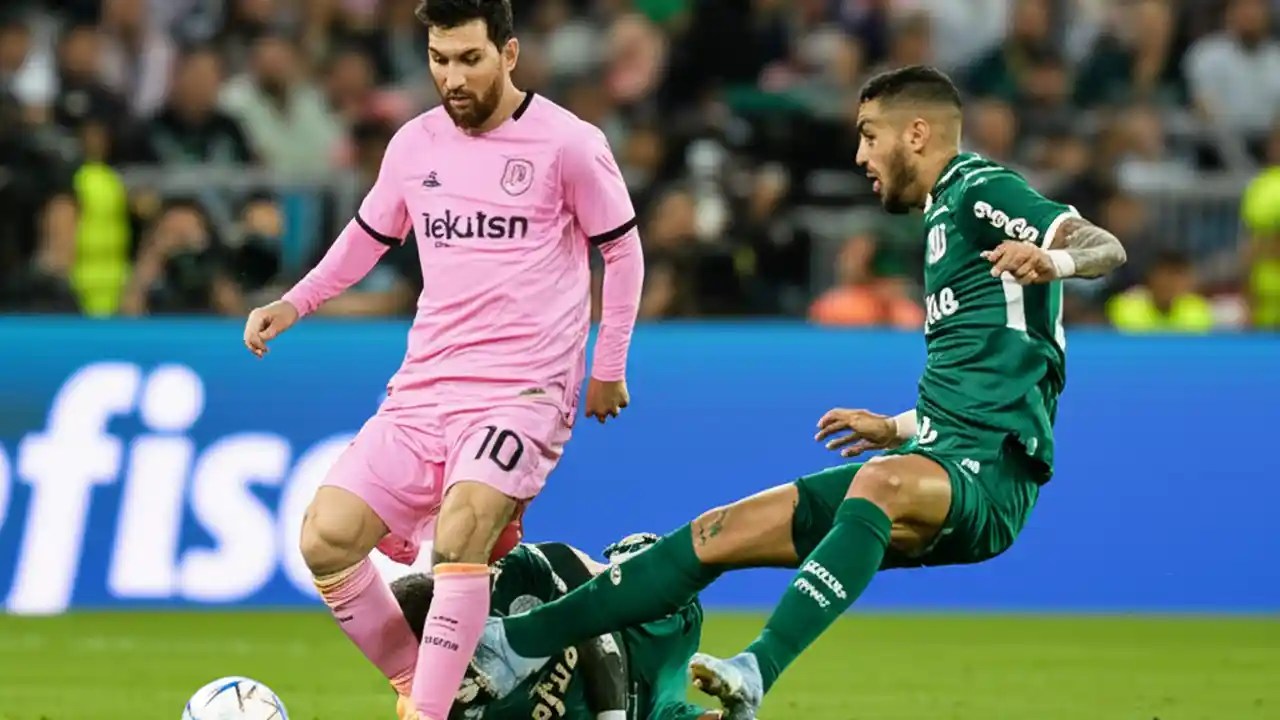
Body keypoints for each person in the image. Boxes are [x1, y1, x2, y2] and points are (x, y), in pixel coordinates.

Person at [465, 65, 1128, 719]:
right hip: (940, 456)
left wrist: (1057, 259)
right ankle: (512, 643)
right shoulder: (939, 225)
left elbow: (1105, 247)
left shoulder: (981, 188)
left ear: (917, 133)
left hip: (992, 479)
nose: (860, 154)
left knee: (880, 485)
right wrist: (896, 428)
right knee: (714, 534)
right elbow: (981, 382)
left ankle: (756, 668)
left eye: (870, 135)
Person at [240, 2, 644, 719]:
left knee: (460, 533)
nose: (451, 77)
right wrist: (293, 303)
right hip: (425, 389)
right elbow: (367, 237)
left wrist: (606, 364)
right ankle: (418, 683)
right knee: (325, 537)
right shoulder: (414, 144)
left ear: (509, 55)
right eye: (439, 59)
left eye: (469, 59)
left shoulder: (568, 144)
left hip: (522, 389)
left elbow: (622, 249)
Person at [390, 535, 719, 720]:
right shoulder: (434, 699)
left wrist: (612, 716)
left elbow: (591, 619)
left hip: (640, 620)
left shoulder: (514, 576)